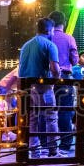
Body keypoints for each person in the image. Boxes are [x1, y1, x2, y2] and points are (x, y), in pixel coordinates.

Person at [18, 17, 62, 158]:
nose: (54, 33)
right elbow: (55, 69)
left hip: (25, 89)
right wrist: (55, 81)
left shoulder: (25, 46)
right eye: (53, 31)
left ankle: (35, 152)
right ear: (49, 30)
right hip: (43, 88)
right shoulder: (50, 45)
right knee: (51, 118)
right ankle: (53, 151)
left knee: (32, 119)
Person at [48, 10, 78, 154]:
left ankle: (46, 144)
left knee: (46, 111)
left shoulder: (47, 38)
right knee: (65, 110)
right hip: (65, 78)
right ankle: (65, 145)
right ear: (64, 23)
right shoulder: (69, 38)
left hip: (47, 79)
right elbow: (75, 60)